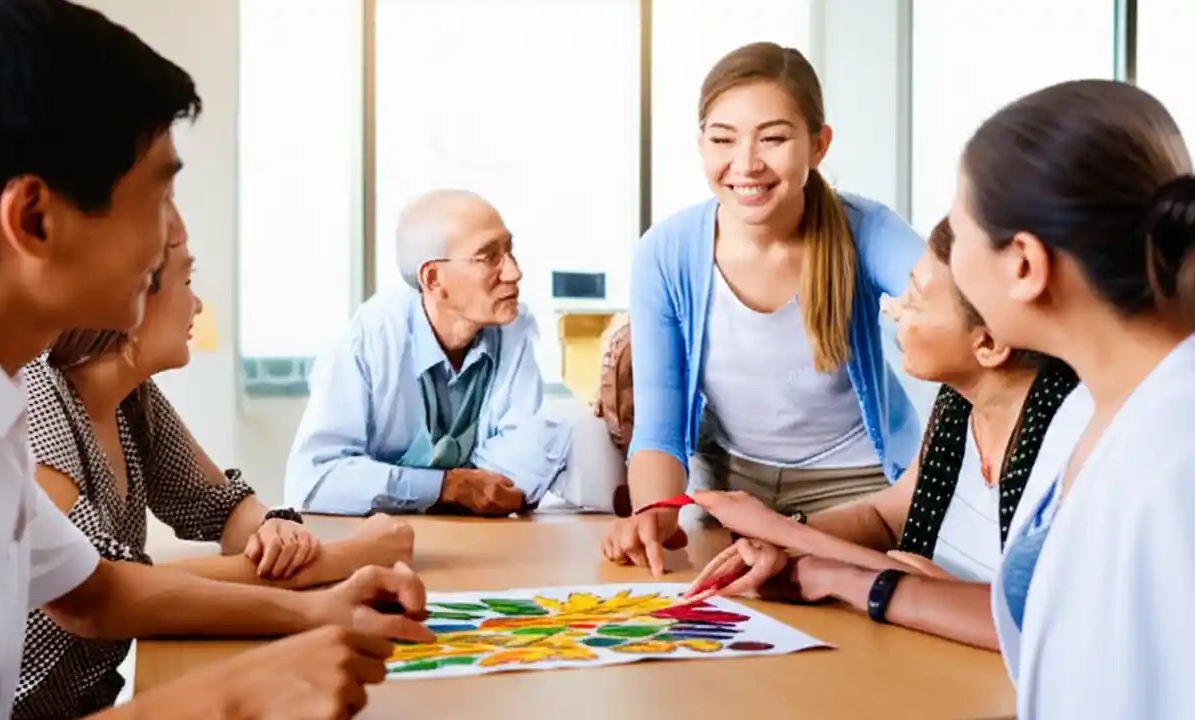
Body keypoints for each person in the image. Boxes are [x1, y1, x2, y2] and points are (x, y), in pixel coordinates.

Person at [0, 2, 430, 718]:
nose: (166, 246)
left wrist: (318, 614)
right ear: (35, 219)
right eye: (157, 196)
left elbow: (97, 595)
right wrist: (232, 697)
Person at [17, 223, 417, 717]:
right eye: (187, 283)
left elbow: (221, 506)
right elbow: (103, 584)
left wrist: (274, 532)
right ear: (132, 292)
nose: (199, 305)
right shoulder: (36, 394)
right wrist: (339, 561)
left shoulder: (131, 398)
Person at [687, 219, 1090, 649]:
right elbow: (888, 516)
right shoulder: (960, 405)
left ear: (988, 344)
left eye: (916, 299)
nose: (893, 308)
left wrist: (796, 539)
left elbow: (1025, 618)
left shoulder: (1070, 435)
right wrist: (783, 541)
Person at [602, 41, 923, 576]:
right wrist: (654, 512)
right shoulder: (668, 251)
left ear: (818, 146)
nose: (746, 165)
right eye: (722, 139)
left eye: (773, 139)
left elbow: (956, 305)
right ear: (700, 144)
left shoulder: (867, 230)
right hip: (731, 492)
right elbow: (659, 425)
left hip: (860, 489)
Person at [946, 79, 1195, 718]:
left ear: (1023, 263)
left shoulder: (1174, 456)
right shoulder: (1092, 405)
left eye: (959, 233)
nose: (951, 262)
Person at [285, 189, 618, 516]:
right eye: (489, 257)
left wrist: (412, 486)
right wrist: (447, 486)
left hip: (475, 538)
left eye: (510, 252)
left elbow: (520, 460)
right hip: (379, 544)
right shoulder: (371, 338)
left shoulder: (513, 327)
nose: (514, 273)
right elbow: (313, 479)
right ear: (433, 278)